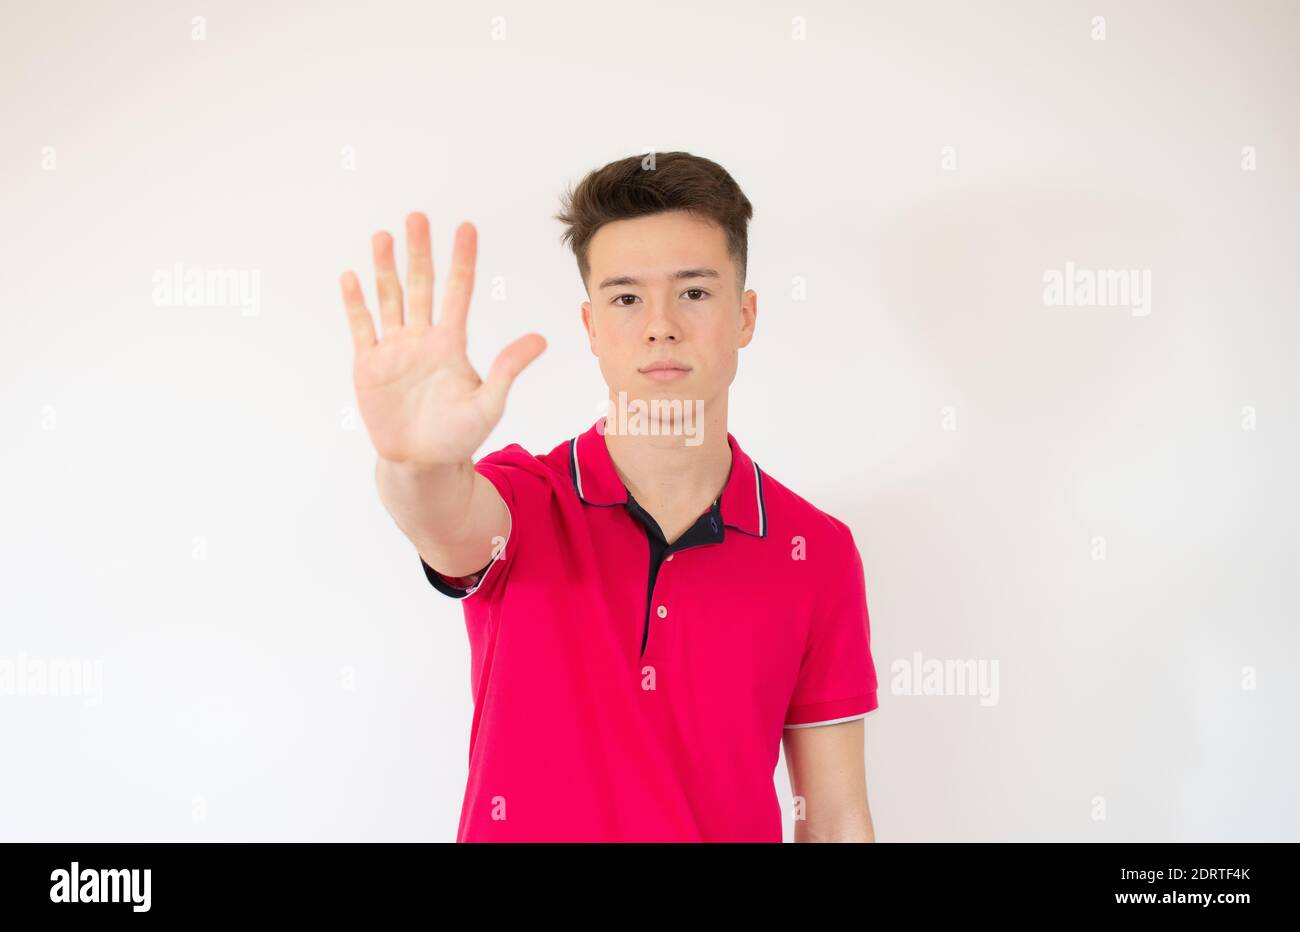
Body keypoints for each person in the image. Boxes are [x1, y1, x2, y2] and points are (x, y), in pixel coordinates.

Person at [338, 151, 879, 842]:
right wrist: (413, 462)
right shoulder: (523, 501)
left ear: (744, 317)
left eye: (694, 292)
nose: (661, 325)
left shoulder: (817, 551)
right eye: (626, 297)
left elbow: (834, 816)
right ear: (591, 326)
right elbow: (444, 519)